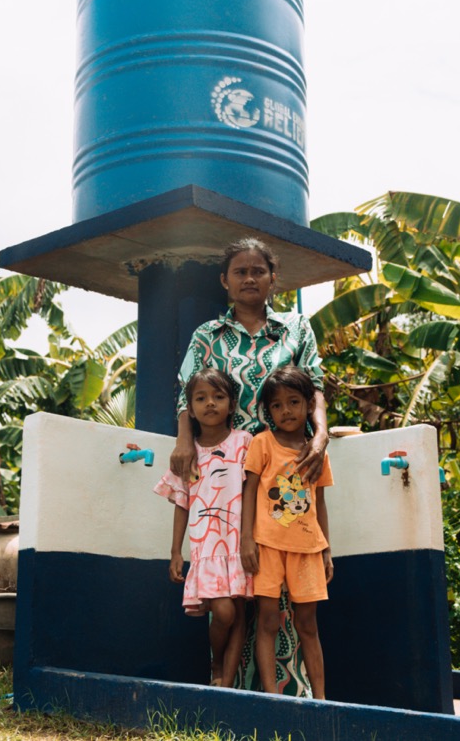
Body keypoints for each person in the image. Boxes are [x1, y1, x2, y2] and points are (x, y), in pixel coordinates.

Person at [167, 237, 331, 695]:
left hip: (284, 471)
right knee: (235, 588)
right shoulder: (207, 335)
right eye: (239, 271)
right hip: (225, 472)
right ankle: (229, 693)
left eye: (258, 270)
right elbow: (186, 392)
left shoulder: (296, 328)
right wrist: (185, 442)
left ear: (273, 278)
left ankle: (293, 696)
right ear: (225, 281)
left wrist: (320, 435)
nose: (249, 278)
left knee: (284, 593)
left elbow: (315, 386)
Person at [153, 367, 254, 687]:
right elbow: (182, 504)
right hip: (206, 548)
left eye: (218, 397)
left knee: (239, 614)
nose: (210, 404)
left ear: (231, 404)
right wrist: (174, 552)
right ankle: (216, 663)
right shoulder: (187, 454)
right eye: (201, 398)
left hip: (239, 544)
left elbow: (253, 491)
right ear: (190, 409)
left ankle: (226, 680)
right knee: (223, 613)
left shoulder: (244, 443)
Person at [240, 365, 334, 699]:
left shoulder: (316, 451)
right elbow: (249, 491)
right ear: (268, 412)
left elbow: (319, 502)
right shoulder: (262, 443)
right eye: (277, 406)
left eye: (293, 402)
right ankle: (271, 697)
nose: (286, 411)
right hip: (266, 546)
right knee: (267, 620)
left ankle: (321, 699)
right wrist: (246, 539)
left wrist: (326, 550)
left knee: (308, 624)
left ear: (309, 405)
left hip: (308, 549)